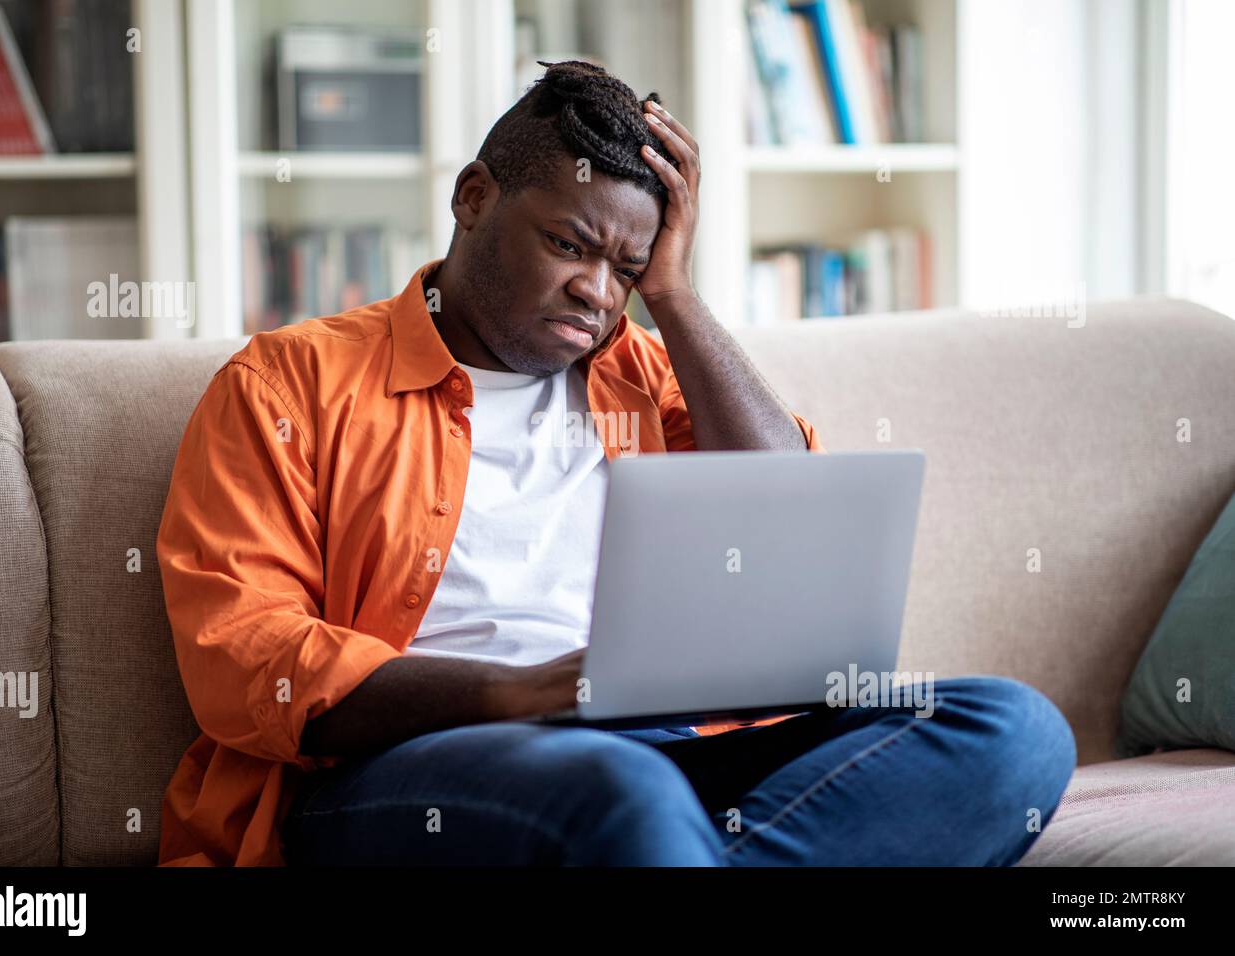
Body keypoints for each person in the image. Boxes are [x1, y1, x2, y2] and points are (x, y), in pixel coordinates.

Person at [156, 61, 1075, 866]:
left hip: (657, 751)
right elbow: (247, 660)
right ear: (474, 198)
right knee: (623, 794)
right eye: (568, 245)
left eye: (626, 268)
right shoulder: (289, 383)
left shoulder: (642, 375)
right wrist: (521, 690)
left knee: (1008, 730)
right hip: (404, 773)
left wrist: (671, 293)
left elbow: (780, 507)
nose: (598, 293)